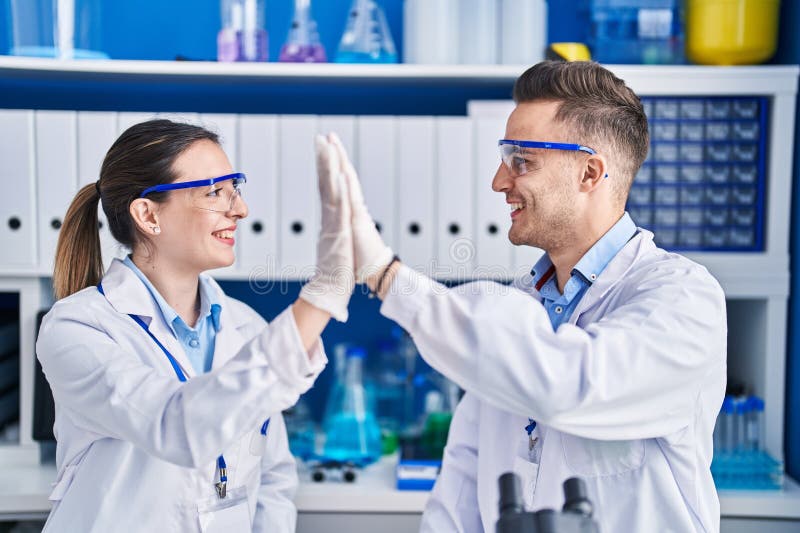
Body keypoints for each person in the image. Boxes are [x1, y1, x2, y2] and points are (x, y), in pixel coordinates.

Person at [316, 61, 727, 532]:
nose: (499, 181)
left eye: (522, 161)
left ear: (590, 173)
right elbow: (462, 483)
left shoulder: (682, 299)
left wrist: (386, 276)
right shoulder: (519, 306)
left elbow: (565, 383)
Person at [36, 119, 355, 532]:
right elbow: (176, 427)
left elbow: (273, 475)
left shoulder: (245, 327)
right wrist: (321, 298)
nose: (240, 209)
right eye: (214, 192)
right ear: (148, 214)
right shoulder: (78, 328)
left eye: (234, 190)